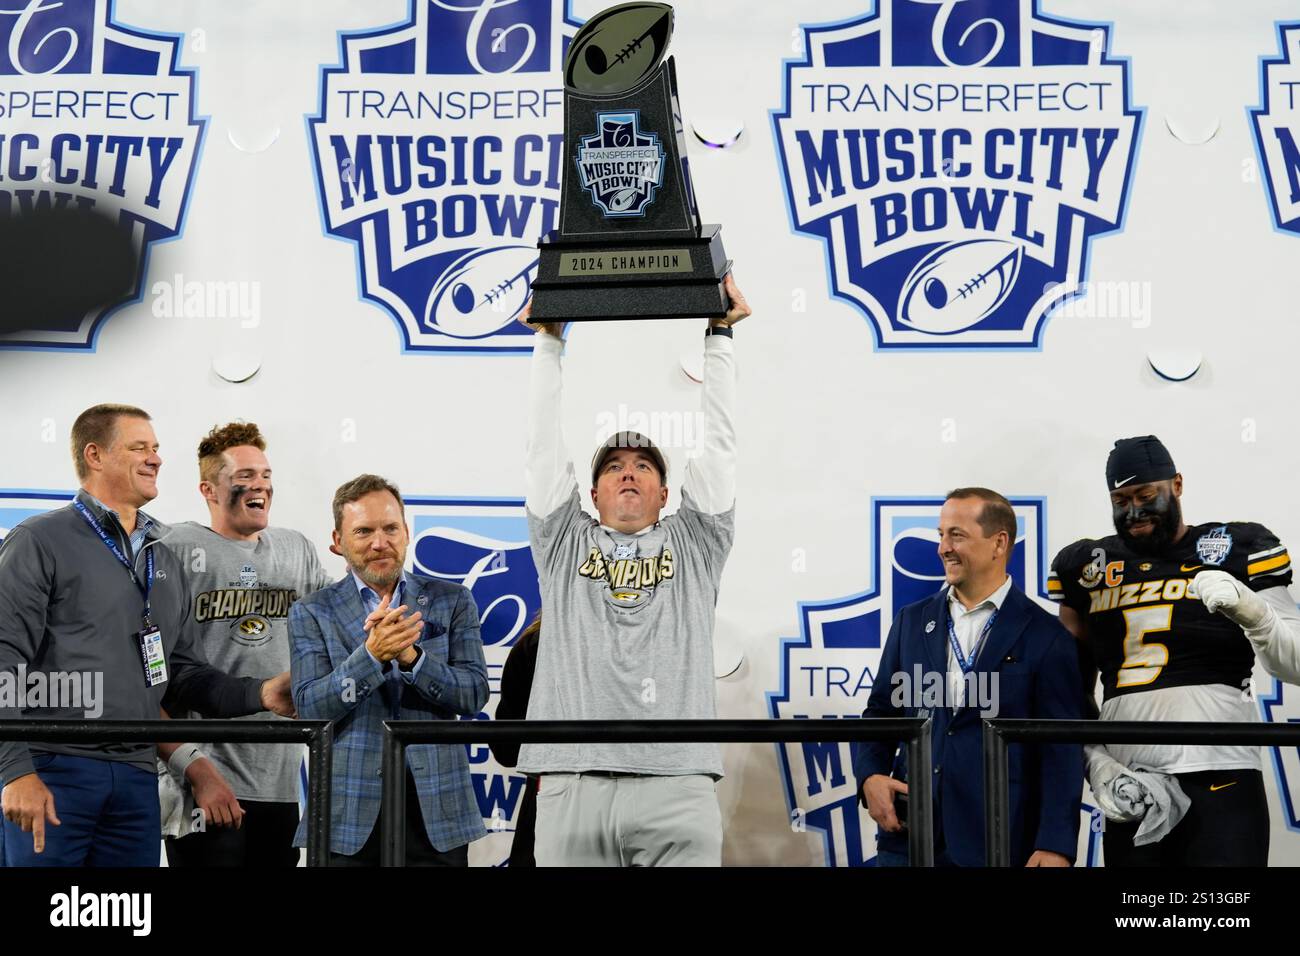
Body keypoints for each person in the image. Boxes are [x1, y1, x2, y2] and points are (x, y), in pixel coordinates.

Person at [515, 273, 751, 867]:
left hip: (677, 780)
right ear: (590, 494)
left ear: (667, 491)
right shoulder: (563, 540)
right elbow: (543, 448)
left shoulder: (696, 541)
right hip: (574, 776)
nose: (628, 472)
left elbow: (719, 448)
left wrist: (719, 338)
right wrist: (548, 341)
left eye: (643, 465)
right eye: (613, 465)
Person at [0, 404, 294, 866]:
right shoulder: (39, 540)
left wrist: (261, 692)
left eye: (156, 449)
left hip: (137, 776)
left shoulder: (164, 557)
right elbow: (3, 657)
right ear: (95, 456)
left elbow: (181, 674)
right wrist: (14, 770)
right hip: (53, 765)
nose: (155, 459)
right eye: (139, 447)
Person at [1049, 436, 1300, 866]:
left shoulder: (1236, 547)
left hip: (1219, 767)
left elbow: (1294, 663)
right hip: (1130, 779)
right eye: (1120, 499)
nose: (1134, 511)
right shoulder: (1086, 565)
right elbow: (1067, 687)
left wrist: (1252, 612)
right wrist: (1094, 759)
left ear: (1177, 485)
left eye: (1146, 496)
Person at [854, 488, 1084, 867]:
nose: (943, 547)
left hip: (1000, 843)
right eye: (941, 535)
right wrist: (870, 776)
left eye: (956, 535)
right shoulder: (911, 622)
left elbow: (1060, 752)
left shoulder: (1047, 637)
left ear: (999, 543)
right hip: (910, 840)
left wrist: (1055, 843)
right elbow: (881, 712)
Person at [157, 421, 335, 867]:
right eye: (245, 477)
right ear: (209, 489)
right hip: (208, 777)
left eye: (266, 476)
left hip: (280, 778)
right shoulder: (175, 547)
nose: (261, 486)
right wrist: (191, 768)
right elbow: (152, 671)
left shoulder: (296, 549)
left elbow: (342, 620)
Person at [288, 474, 488, 866]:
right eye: (363, 531)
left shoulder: (453, 601)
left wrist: (414, 660)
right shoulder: (312, 611)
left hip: (438, 813)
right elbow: (310, 708)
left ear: (407, 532)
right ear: (337, 541)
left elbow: (474, 694)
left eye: (390, 528)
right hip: (348, 818)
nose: (380, 542)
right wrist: (372, 657)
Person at [488, 614, 541, 868]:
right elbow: (506, 749)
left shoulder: (535, 643)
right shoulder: (536, 645)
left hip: (553, 801)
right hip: (551, 798)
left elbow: (506, 748)